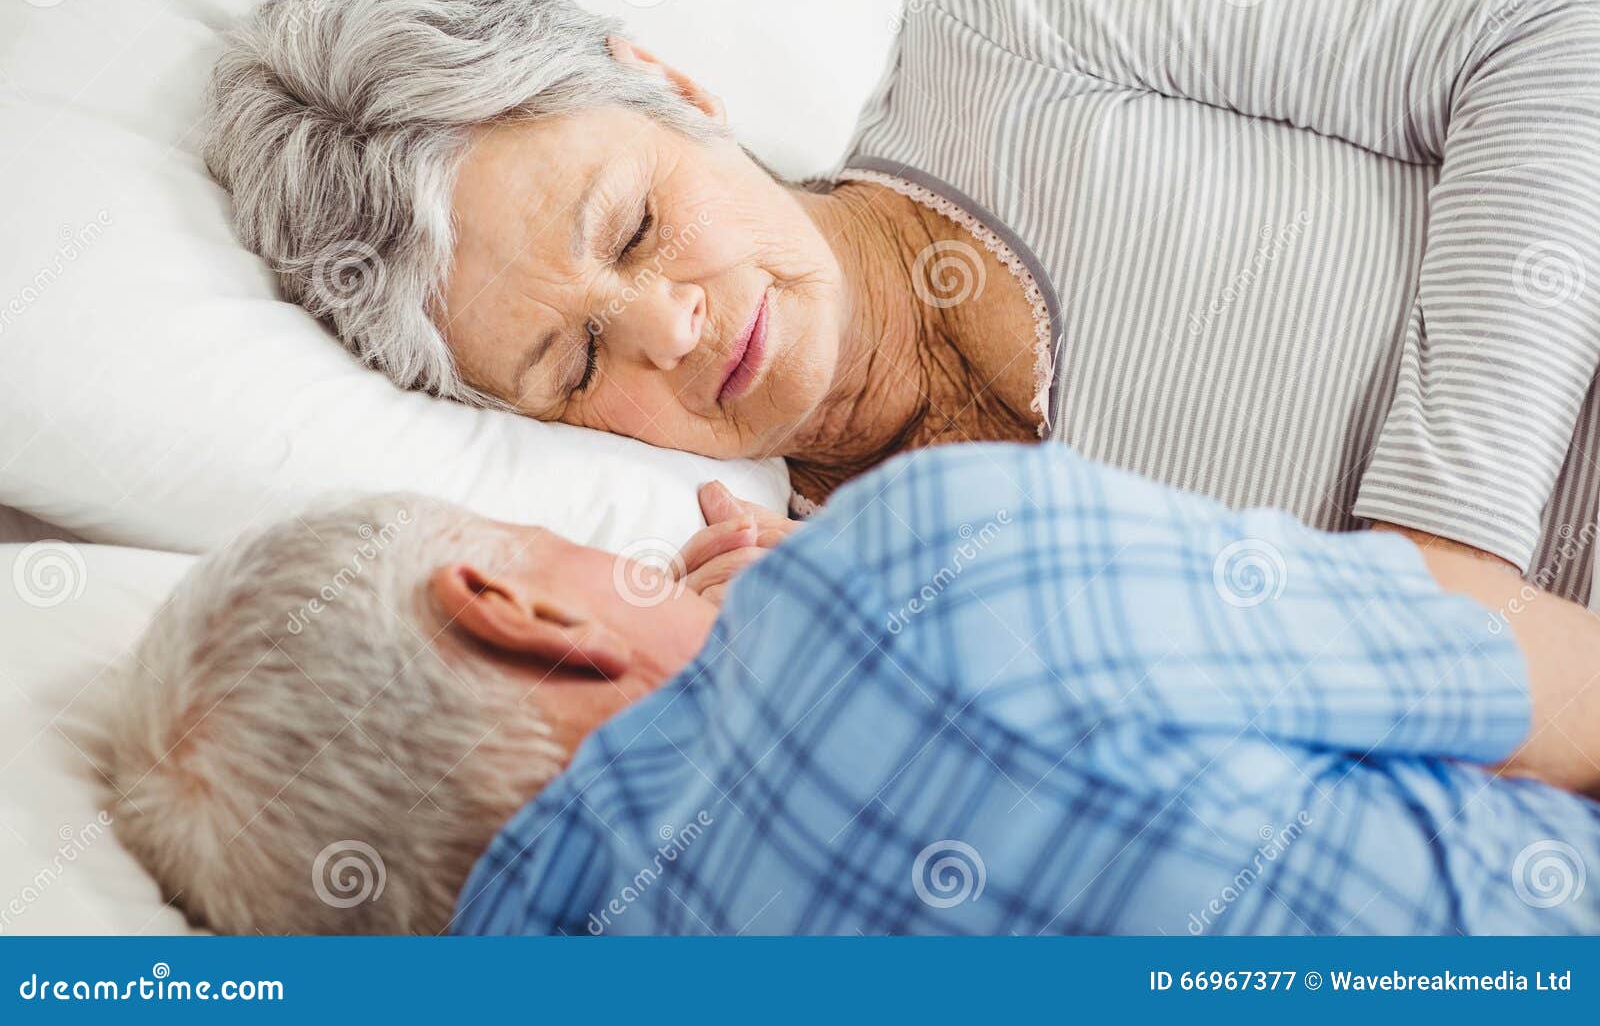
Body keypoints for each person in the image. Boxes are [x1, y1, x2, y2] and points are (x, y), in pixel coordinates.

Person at [205, 0, 1600, 602]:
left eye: (631, 228)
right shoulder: (826, 597)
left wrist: (1446, 564)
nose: (671, 329)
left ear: (671, 88)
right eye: (574, 362)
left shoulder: (1002, 32)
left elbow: (1548, 57)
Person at [103, 444, 1600, 935]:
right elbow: (1555, 682)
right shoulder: (934, 561)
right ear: (518, 610)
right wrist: (857, 597)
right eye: (581, 549)